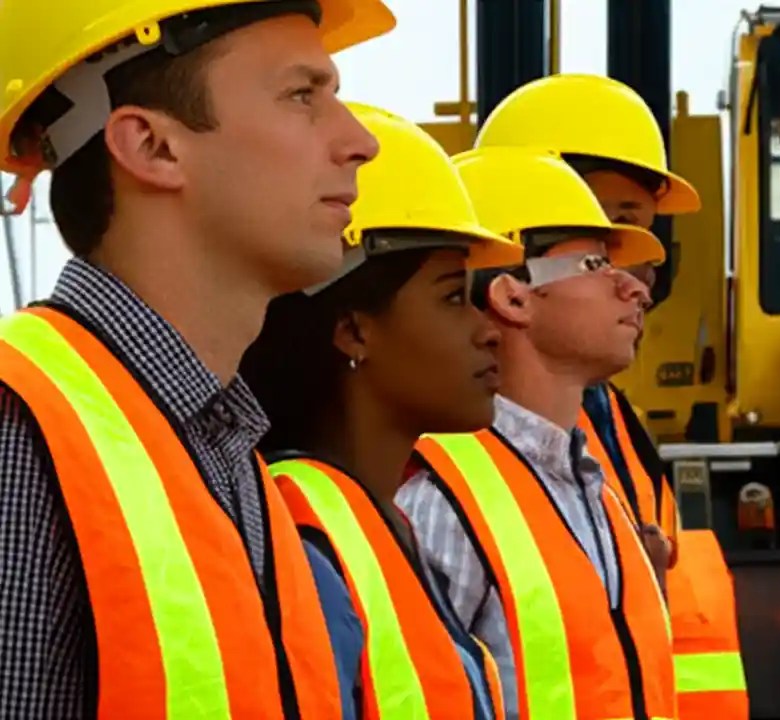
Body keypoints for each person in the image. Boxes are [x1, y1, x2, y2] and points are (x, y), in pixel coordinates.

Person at [0, 0, 394, 716]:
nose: (362, 141)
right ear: (152, 147)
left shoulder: (218, 441)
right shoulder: (20, 433)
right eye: (303, 96)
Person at [473, 72, 749, 718]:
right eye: (609, 234)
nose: (643, 265)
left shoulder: (609, 420)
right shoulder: (455, 446)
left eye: (646, 234)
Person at [240, 102, 521, 719]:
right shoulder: (307, 546)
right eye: (454, 297)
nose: (490, 329)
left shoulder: (375, 521)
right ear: (352, 331)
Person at [397, 145, 678, 720]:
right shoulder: (441, 503)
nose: (638, 290)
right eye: (597, 266)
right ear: (513, 295)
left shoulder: (593, 489)